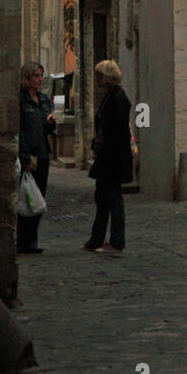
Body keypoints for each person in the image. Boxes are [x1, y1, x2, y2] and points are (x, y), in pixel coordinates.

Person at [82, 59, 132, 255]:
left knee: (113, 199)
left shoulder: (118, 98)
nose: (97, 80)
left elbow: (118, 132)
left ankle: (117, 241)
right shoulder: (110, 96)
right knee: (102, 198)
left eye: (99, 76)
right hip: (106, 156)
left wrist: (104, 146)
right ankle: (96, 239)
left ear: (107, 77)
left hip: (113, 158)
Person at [17, 61, 56, 253]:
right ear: (28, 78)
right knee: (27, 196)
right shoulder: (21, 100)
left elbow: (46, 129)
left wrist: (51, 122)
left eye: (41, 75)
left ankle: (32, 239)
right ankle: (22, 239)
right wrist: (24, 157)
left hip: (42, 154)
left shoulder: (43, 99)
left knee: (39, 197)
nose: (40, 79)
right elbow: (21, 130)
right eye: (37, 76)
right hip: (29, 155)